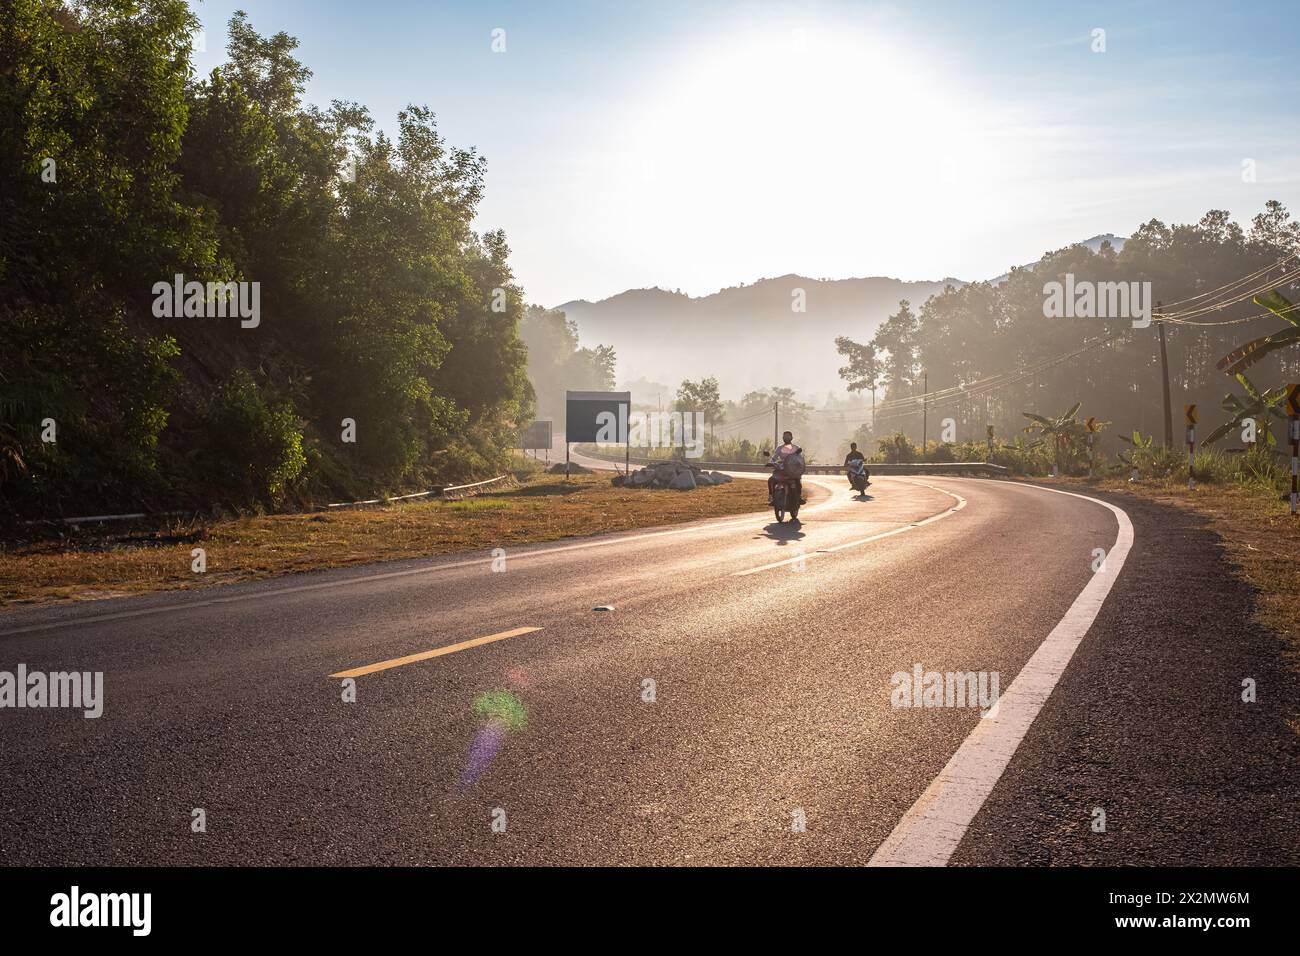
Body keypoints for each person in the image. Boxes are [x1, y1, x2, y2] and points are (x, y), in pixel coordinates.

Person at [767, 431, 805, 505]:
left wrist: (799, 465)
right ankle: (772, 497)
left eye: (788, 436)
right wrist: (771, 463)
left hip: (792, 470)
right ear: (783, 438)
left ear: (791, 438)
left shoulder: (796, 448)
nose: (786, 438)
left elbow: (800, 459)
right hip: (781, 469)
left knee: (797, 481)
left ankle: (799, 497)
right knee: (771, 480)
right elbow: (774, 458)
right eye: (785, 436)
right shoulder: (779, 448)